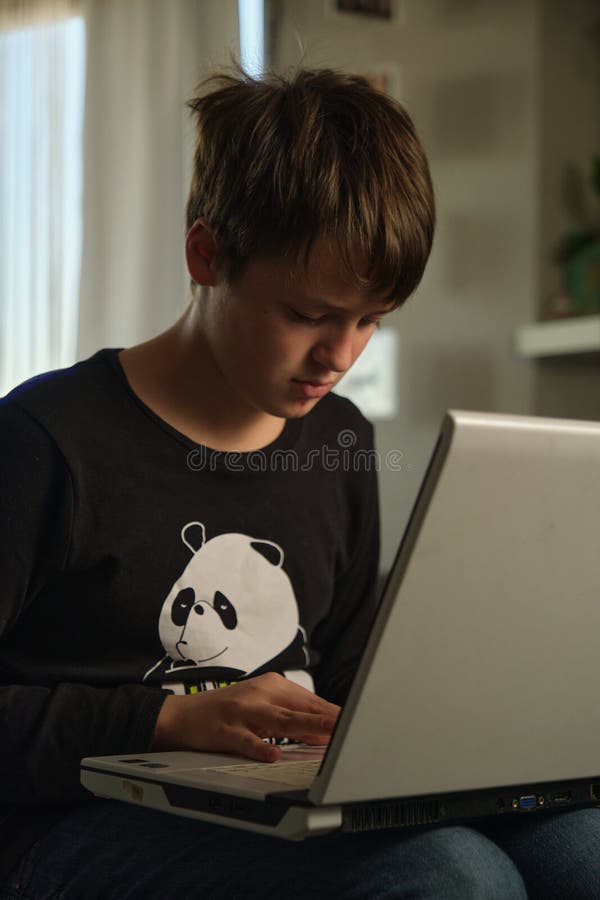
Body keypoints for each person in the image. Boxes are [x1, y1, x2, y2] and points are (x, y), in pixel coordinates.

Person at [0, 64, 598, 900]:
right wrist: (165, 717)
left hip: (284, 797)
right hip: (74, 823)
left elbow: (349, 677)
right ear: (206, 254)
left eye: (370, 320)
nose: (341, 355)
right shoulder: (43, 442)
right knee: (449, 877)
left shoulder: (343, 441)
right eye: (310, 315)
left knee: (584, 848)